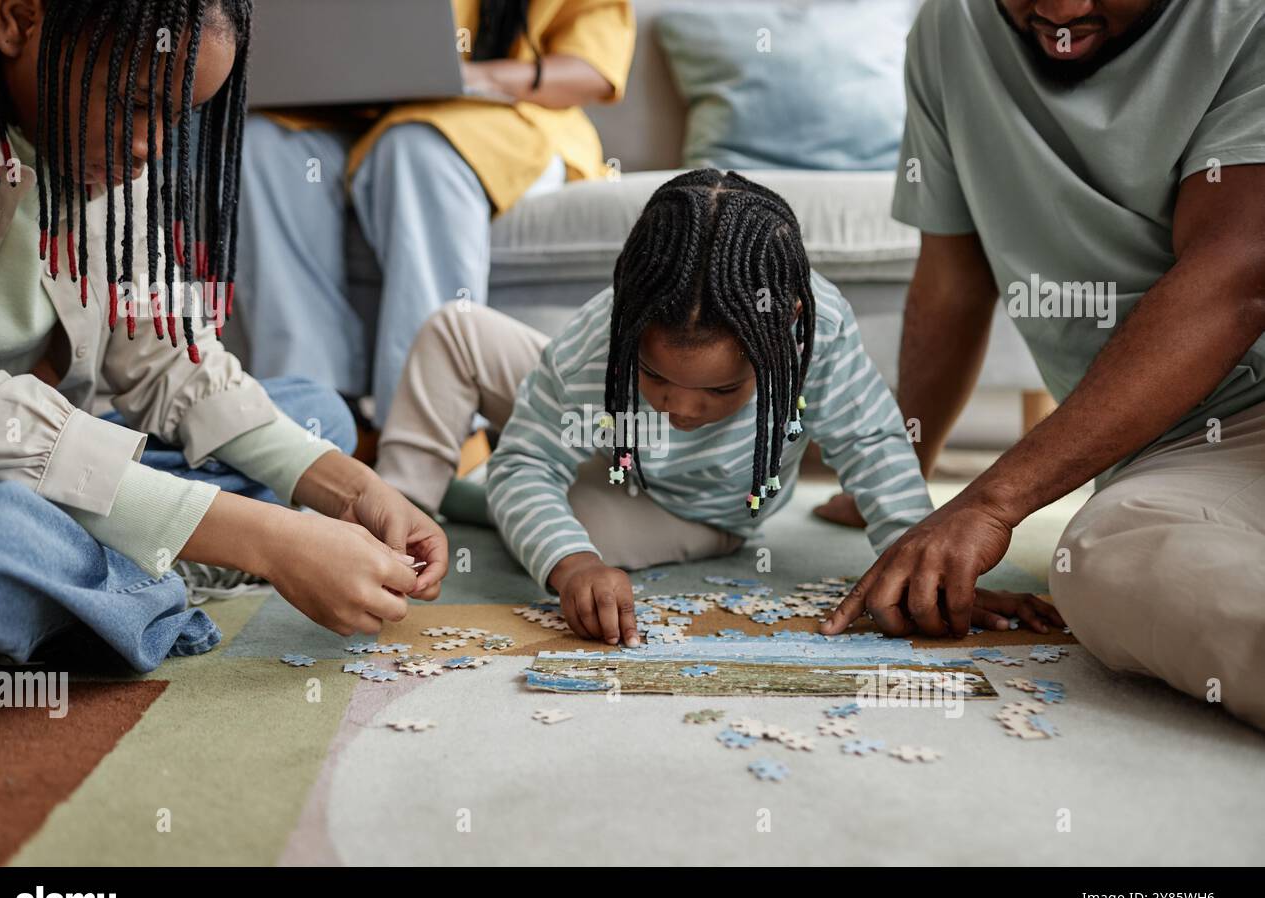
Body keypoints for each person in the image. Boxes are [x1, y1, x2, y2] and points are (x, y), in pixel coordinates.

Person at [375, 170, 1061, 644]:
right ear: (630, 326)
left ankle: (476, 503)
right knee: (454, 332)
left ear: (784, 329)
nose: (681, 407)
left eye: (720, 391)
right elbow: (525, 461)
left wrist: (920, 563)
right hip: (605, 418)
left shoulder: (811, 335)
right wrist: (570, 562)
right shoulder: (601, 340)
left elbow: (873, 447)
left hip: (690, 505)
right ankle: (394, 515)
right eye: (659, 376)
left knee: (573, 532)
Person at [819, 0, 1265, 728]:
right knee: (1105, 560)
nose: (1060, 9)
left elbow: (1236, 279)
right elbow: (953, 285)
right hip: (1184, 451)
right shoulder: (950, 29)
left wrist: (992, 500)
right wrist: (902, 469)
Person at [0, 0, 446, 673]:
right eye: (134, 104)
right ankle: (150, 588)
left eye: (175, 117)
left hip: (56, 465)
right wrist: (274, 542)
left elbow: (167, 358)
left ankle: (101, 570)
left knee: (318, 417)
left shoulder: (101, 151)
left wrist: (353, 490)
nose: (149, 148)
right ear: (18, 19)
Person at [237, 0, 635, 430]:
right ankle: (309, 420)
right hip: (361, 116)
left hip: (508, 116)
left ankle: (425, 433)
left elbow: (594, 72)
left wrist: (480, 77)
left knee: (416, 150)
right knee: (260, 147)